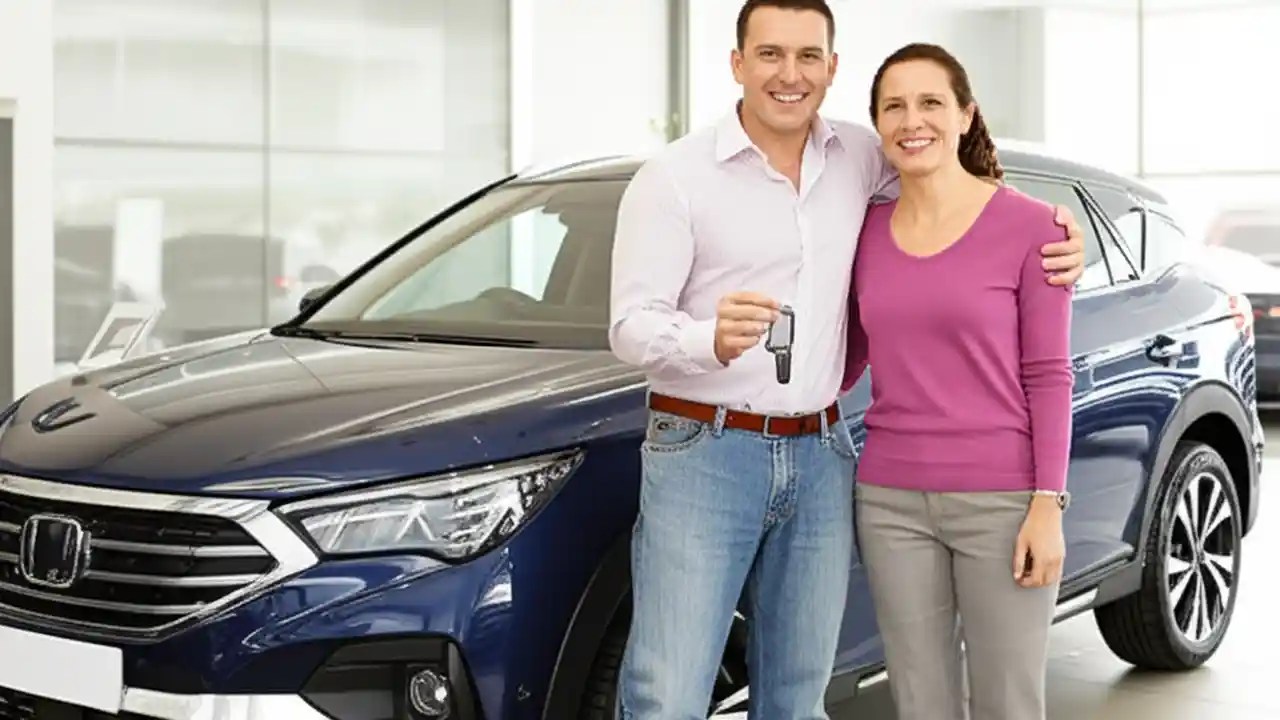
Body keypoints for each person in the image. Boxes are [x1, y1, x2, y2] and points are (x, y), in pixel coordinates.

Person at [608, 2, 1083, 718]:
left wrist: (1066, 233)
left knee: (800, 694)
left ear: (831, 68)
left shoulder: (861, 158)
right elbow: (629, 326)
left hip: (823, 455)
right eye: (770, 54)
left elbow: (956, 196)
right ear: (737, 63)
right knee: (668, 694)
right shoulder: (674, 177)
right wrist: (708, 339)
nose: (789, 74)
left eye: (808, 56)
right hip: (707, 449)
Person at [840, 42, 1074, 720]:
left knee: (1008, 702)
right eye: (894, 106)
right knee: (920, 702)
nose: (912, 120)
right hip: (889, 502)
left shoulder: (1034, 227)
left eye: (930, 103)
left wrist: (1047, 505)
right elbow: (846, 358)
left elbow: (1049, 375)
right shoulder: (864, 232)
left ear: (966, 115)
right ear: (878, 125)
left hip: (1003, 502)